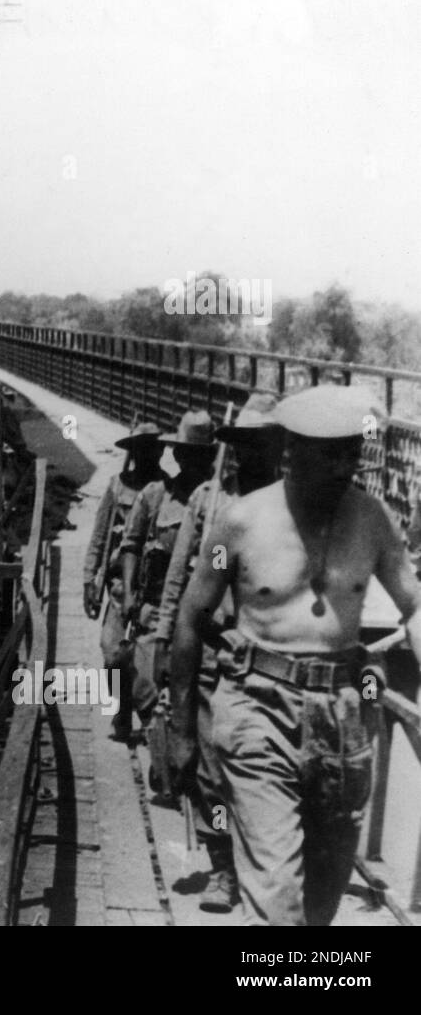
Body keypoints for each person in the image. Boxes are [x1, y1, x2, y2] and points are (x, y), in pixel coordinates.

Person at [168, 385, 421, 926]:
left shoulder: (374, 520)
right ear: (292, 450)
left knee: (321, 897)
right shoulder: (237, 522)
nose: (343, 466)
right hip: (258, 707)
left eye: (352, 452)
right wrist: (182, 729)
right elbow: (189, 619)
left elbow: (414, 608)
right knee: (278, 895)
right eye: (329, 453)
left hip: (344, 720)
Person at [151, 393, 283, 912]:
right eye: (245, 444)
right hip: (213, 656)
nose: (254, 455)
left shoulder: (294, 508)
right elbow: (179, 582)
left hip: (271, 661)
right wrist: (165, 640)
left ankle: (263, 869)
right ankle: (223, 868)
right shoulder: (211, 504)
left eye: (264, 444)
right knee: (210, 774)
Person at [118, 411, 216, 755]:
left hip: (207, 616)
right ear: (176, 455)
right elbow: (130, 544)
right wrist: (130, 593)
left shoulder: (219, 502)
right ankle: (159, 754)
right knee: (146, 686)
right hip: (158, 609)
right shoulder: (156, 496)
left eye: (203, 455)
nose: (195, 462)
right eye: (188, 454)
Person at [83, 420, 165, 741]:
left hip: (150, 591)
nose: (147, 455)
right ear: (133, 452)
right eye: (140, 449)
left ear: (160, 451)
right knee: (113, 653)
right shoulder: (118, 486)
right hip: (118, 588)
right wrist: (90, 581)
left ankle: (142, 720)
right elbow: (99, 536)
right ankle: (121, 705)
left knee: (145, 664)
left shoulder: (165, 489)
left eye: (152, 448)